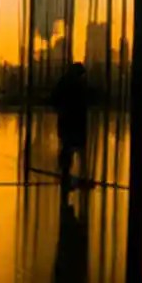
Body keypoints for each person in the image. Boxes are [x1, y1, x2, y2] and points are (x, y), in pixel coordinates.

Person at [50, 62, 89, 192]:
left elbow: (54, 99)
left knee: (67, 149)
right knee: (78, 150)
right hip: (76, 122)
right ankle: (80, 178)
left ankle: (66, 176)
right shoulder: (79, 85)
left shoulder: (64, 82)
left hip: (66, 122)